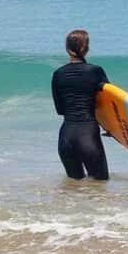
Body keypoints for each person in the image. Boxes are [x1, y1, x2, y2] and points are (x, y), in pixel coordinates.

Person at [51, 29, 110, 180]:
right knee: (100, 188)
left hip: (65, 138)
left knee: (74, 190)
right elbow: (109, 103)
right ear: (86, 48)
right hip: (88, 136)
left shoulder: (58, 74)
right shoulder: (95, 71)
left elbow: (60, 109)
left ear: (66, 48)